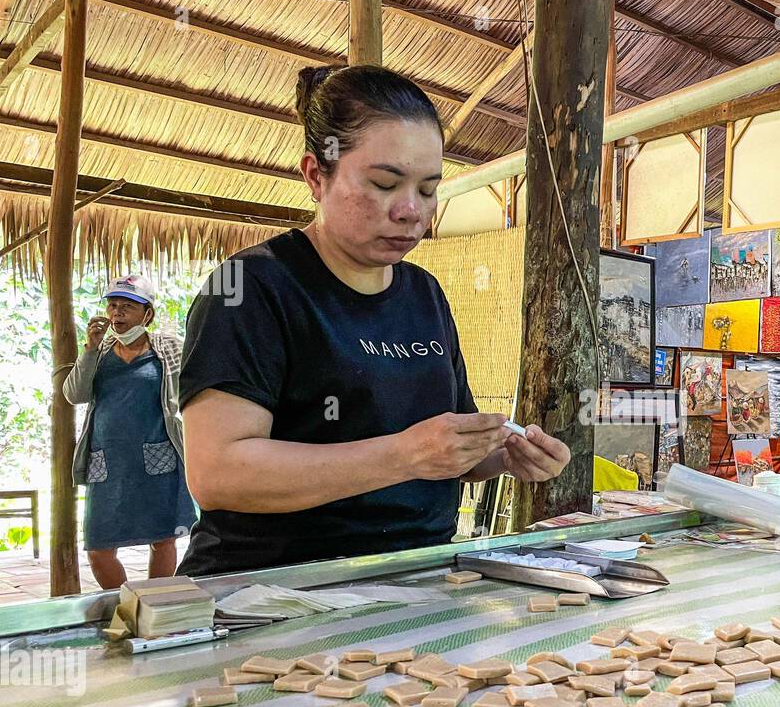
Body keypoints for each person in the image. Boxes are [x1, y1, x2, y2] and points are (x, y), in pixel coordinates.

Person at [177, 65, 571, 576]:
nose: (411, 210)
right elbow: (218, 473)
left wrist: (506, 455)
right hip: (275, 587)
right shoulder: (251, 288)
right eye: (385, 183)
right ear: (317, 176)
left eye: (428, 190)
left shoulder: (424, 293)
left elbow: (455, 454)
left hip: (417, 577)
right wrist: (404, 455)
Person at [62, 275, 195, 589]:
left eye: (127, 306)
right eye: (112, 306)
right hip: (106, 463)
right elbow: (74, 394)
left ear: (147, 314)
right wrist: (89, 350)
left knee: (163, 539)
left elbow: (193, 390)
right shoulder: (100, 352)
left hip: (158, 458)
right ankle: (124, 603)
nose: (117, 313)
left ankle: (155, 603)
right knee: (98, 548)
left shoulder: (168, 349)